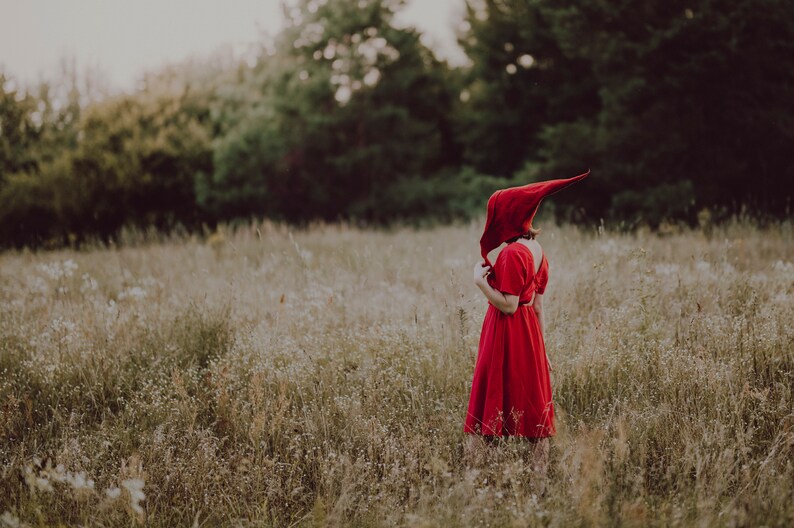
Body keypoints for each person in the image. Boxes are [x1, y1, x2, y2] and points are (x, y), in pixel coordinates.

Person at [464, 170, 590, 476]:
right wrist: (541, 349)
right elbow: (537, 306)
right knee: (534, 411)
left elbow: (508, 305)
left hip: (506, 334)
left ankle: (484, 482)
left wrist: (479, 283)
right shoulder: (537, 251)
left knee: (492, 405)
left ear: (507, 217)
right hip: (529, 336)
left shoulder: (512, 254)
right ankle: (539, 483)